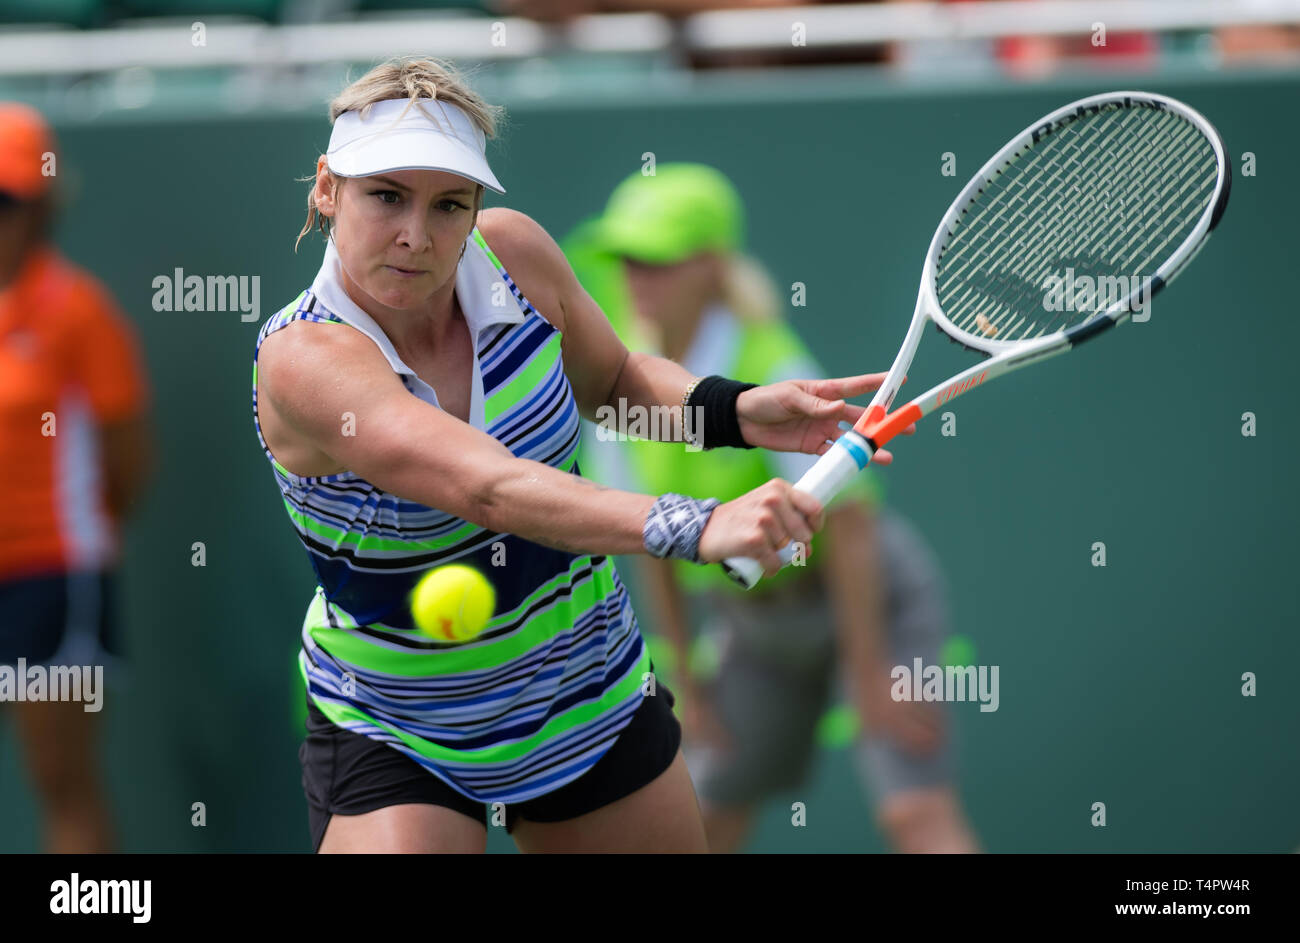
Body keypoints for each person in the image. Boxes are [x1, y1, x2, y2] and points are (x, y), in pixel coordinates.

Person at [252, 56, 911, 854]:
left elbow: (618, 381)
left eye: (448, 205)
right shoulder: (303, 359)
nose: (415, 235)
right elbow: (485, 487)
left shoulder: (514, 255)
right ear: (328, 188)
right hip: (398, 726)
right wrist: (698, 524)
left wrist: (733, 411)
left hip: (582, 687)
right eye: (386, 195)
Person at [565, 163, 980, 853]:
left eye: (658, 260)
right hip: (755, 630)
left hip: (870, 595)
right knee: (700, 825)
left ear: (710, 267)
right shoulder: (621, 387)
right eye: (626, 258)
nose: (637, 277)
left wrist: (871, 669)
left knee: (916, 816)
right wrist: (687, 681)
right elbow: (647, 533)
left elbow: (848, 527)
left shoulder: (767, 360)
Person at [0, 103, 154, 853]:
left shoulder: (77, 312)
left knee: (60, 776)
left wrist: (77, 538)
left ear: (41, 211)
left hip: (49, 575)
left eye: (7, 203)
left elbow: (128, 462)